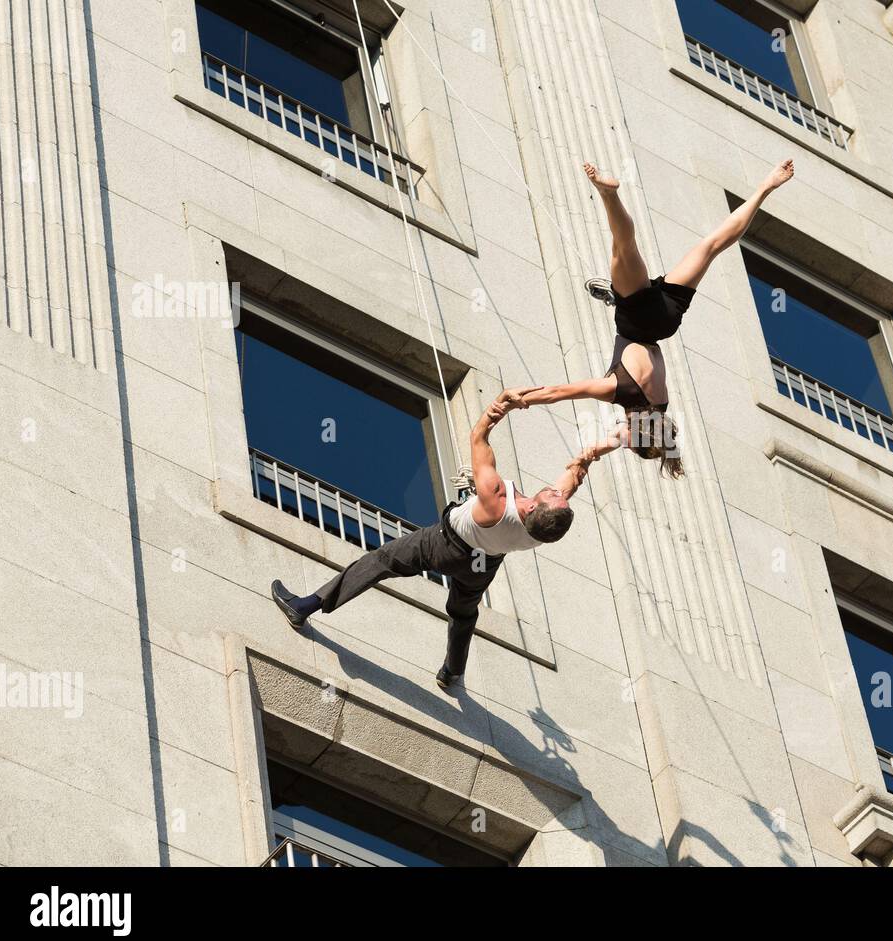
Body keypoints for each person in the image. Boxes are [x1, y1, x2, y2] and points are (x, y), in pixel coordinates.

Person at [270, 388, 625, 689]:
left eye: (552, 495)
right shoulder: (544, 528)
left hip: (445, 544)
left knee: (380, 562)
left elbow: (478, 438)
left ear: (534, 508)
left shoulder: (495, 496)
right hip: (483, 565)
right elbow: (576, 472)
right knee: (462, 613)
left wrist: (498, 407)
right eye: (558, 496)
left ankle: (304, 607)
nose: (554, 490)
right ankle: (453, 670)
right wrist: (612, 442)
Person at [507, 159, 796, 478]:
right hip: (638, 318)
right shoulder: (621, 391)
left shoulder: (659, 409)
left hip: (666, 319)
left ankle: (766, 186)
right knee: (623, 249)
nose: (622, 434)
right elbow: (561, 392)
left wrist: (591, 455)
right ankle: (607, 194)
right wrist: (521, 399)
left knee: (711, 246)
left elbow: (623, 439)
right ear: (636, 430)